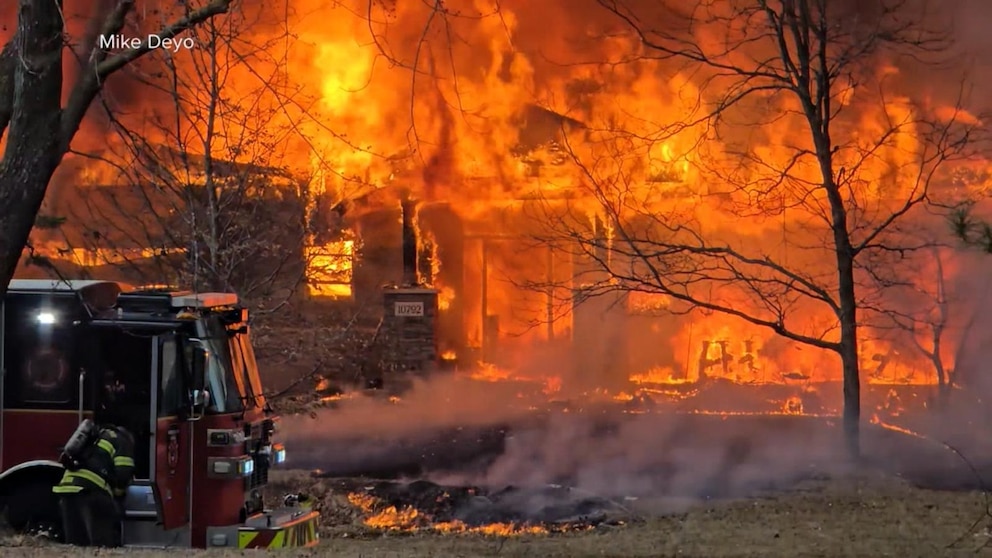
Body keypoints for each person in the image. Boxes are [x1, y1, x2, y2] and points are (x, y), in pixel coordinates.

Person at [52, 424, 135, 547]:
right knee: (101, 545)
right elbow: (124, 473)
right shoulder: (122, 441)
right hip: (92, 492)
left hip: (66, 489)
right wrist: (118, 497)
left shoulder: (96, 437)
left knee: (75, 545)